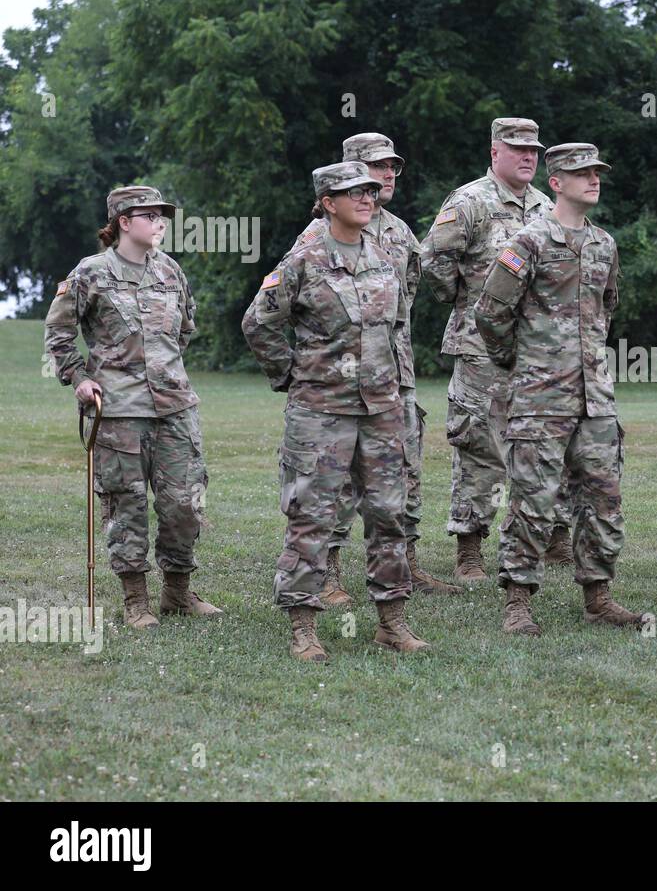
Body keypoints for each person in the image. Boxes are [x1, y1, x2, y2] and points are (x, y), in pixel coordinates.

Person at [242, 161, 426, 662]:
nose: (366, 198)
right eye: (353, 192)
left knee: (389, 515)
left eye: (370, 190)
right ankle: (303, 626)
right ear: (328, 202)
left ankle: (392, 621)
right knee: (311, 516)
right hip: (321, 411)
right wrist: (291, 375)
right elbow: (257, 324)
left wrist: (395, 389)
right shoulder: (303, 260)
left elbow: (397, 330)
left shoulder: (385, 259)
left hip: (382, 410)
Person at [474, 142, 651, 636]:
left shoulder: (604, 245)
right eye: (581, 174)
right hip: (538, 397)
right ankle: (517, 601)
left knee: (602, 499)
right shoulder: (528, 242)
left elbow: (605, 309)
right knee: (533, 499)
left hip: (595, 398)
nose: (593, 180)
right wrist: (520, 362)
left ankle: (598, 596)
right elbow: (490, 313)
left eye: (597, 172)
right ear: (556, 182)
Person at [292, 132, 461, 603]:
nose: (387, 175)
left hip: (394, 376)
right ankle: (326, 573)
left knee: (402, 471)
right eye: (377, 166)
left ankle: (405, 563)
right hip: (339, 386)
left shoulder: (401, 232)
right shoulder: (315, 238)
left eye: (392, 167)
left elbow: (406, 299)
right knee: (337, 477)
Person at [44, 185, 221, 630]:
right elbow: (58, 334)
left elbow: (184, 328)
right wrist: (80, 377)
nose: (160, 222)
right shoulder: (91, 273)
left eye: (163, 216)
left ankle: (178, 593)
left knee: (184, 503)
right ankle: (135, 600)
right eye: (150, 215)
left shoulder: (170, 271)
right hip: (119, 409)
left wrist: (163, 369)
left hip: (176, 407)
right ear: (124, 221)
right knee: (127, 505)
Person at [421, 118, 575, 583]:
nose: (528, 156)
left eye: (533, 150)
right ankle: (470, 548)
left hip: (535, 353)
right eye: (517, 149)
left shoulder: (547, 207)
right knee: (478, 446)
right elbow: (433, 259)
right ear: (495, 152)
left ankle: (554, 537)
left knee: (547, 442)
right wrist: (466, 302)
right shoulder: (471, 202)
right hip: (480, 350)